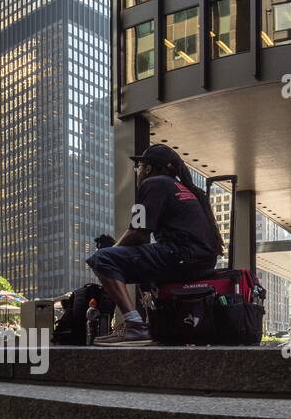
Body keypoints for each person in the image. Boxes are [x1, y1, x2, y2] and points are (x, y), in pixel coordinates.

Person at [86, 142, 222, 347]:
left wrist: (112, 252)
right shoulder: (185, 188)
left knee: (102, 258)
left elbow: (138, 234)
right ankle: (151, 324)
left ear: (148, 168)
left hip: (181, 254)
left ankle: (135, 326)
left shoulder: (153, 183)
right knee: (140, 259)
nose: (137, 171)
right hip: (200, 261)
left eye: (138, 167)